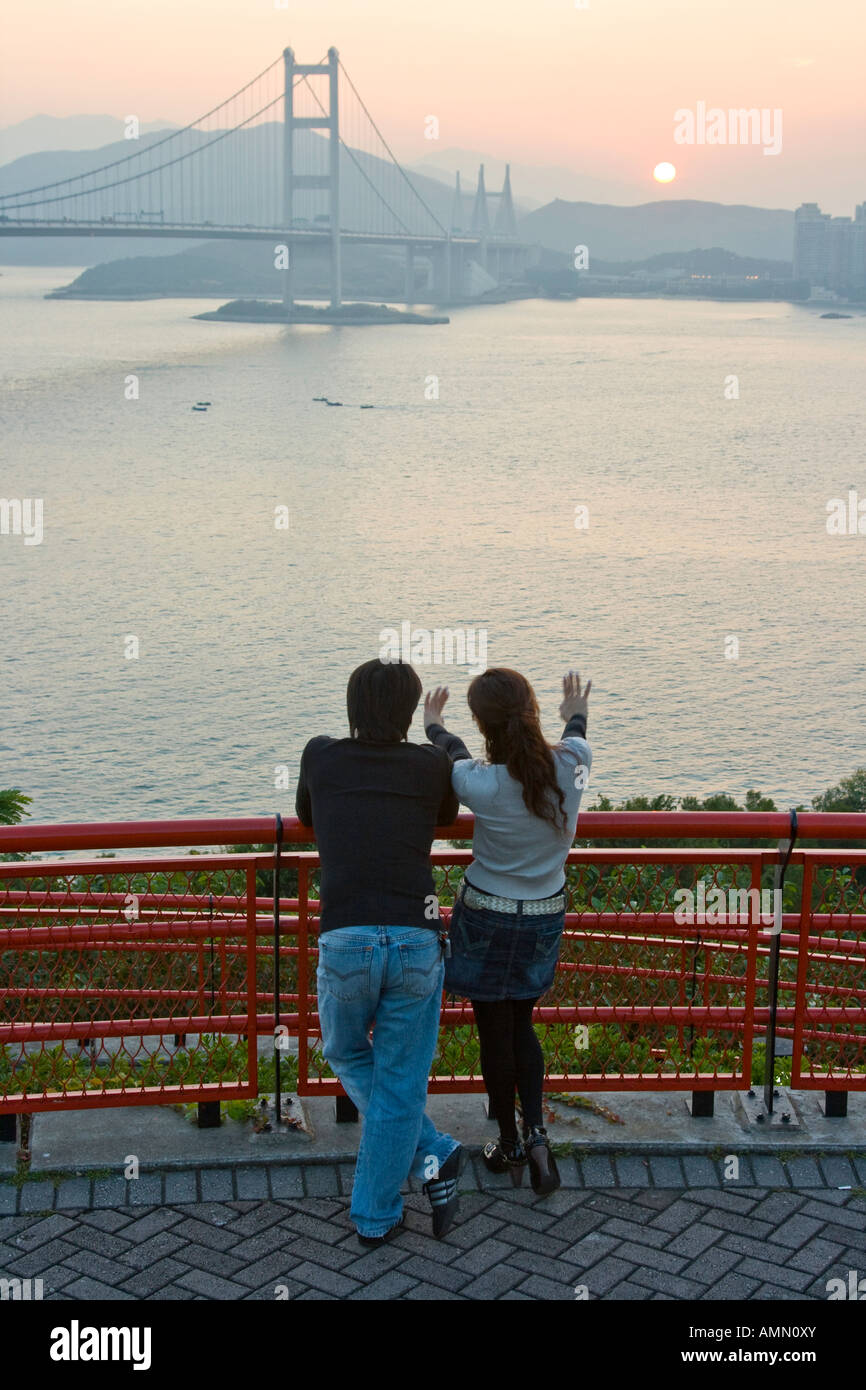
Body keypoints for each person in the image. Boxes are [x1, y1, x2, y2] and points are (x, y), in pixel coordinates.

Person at [295, 659, 463, 1245]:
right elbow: (445, 817)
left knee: (344, 1051)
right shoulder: (431, 764)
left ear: (352, 704)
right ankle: (432, 1152)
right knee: (399, 1079)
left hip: (346, 935)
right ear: (409, 709)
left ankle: (378, 1212)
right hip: (417, 937)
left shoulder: (321, 755)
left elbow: (306, 816)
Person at [423, 668, 591, 1195]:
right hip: (544, 913)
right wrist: (574, 712)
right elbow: (576, 734)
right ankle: (537, 1135)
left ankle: (507, 1141)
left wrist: (433, 723)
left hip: (486, 914)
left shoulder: (479, 781)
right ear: (533, 710)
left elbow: (451, 753)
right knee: (522, 1021)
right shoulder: (574, 765)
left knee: (493, 1030)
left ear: (481, 722)